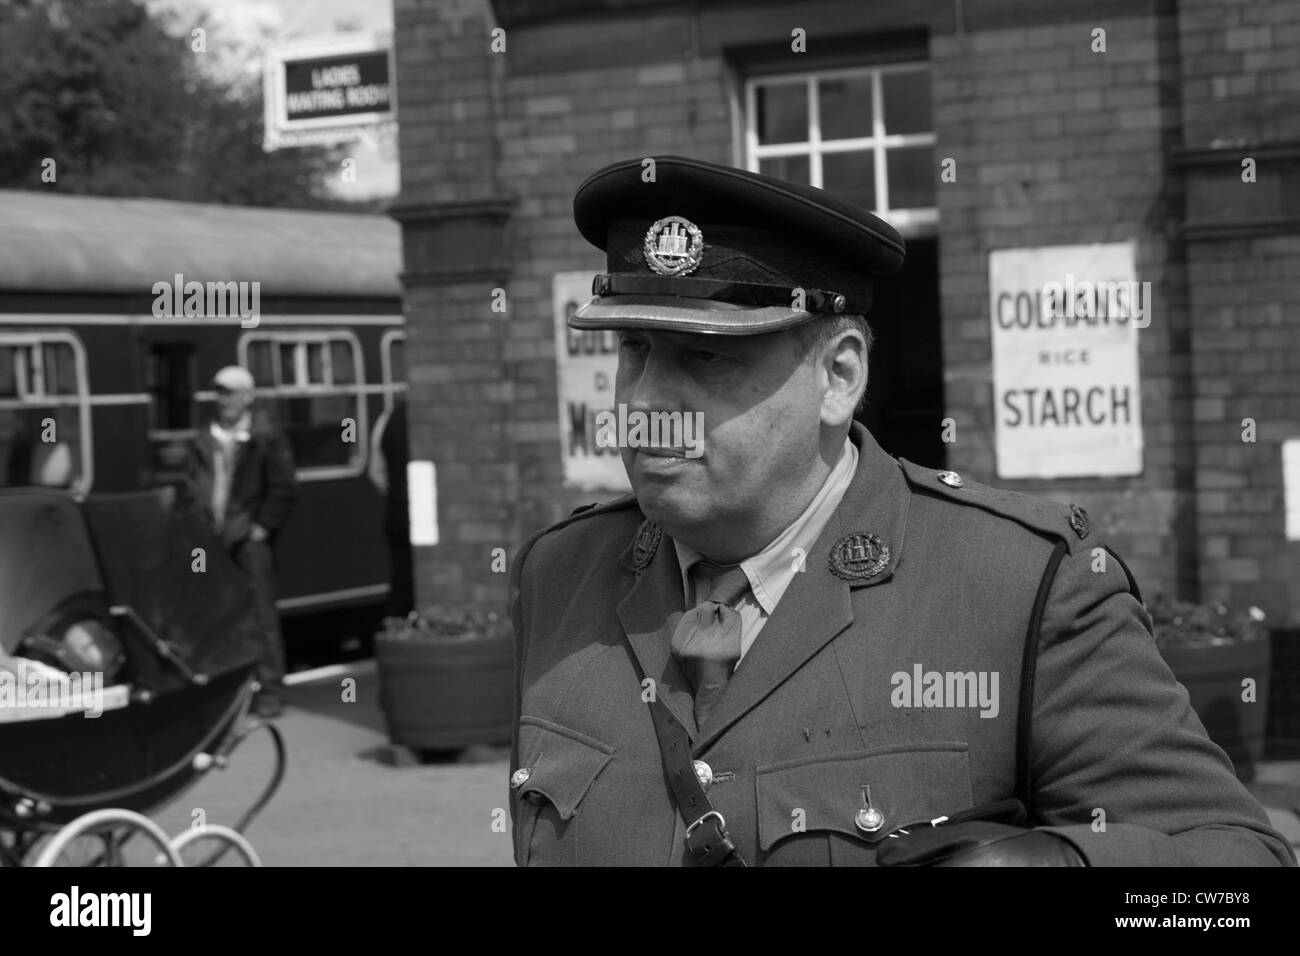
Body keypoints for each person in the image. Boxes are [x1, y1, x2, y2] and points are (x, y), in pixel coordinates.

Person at [507, 155, 1297, 867]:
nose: (644, 404)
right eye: (634, 351)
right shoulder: (559, 576)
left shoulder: (1018, 588)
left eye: (705, 357)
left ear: (840, 375)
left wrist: (1062, 865)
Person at [184, 366, 298, 718]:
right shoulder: (204, 437)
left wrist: (262, 527)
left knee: (261, 615)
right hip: (212, 539)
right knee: (219, 617)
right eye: (220, 392)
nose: (225, 400)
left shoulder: (266, 436)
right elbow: (191, 486)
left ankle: (271, 692)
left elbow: (284, 487)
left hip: (248, 539)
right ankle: (230, 692)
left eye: (232, 392)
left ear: (248, 397)